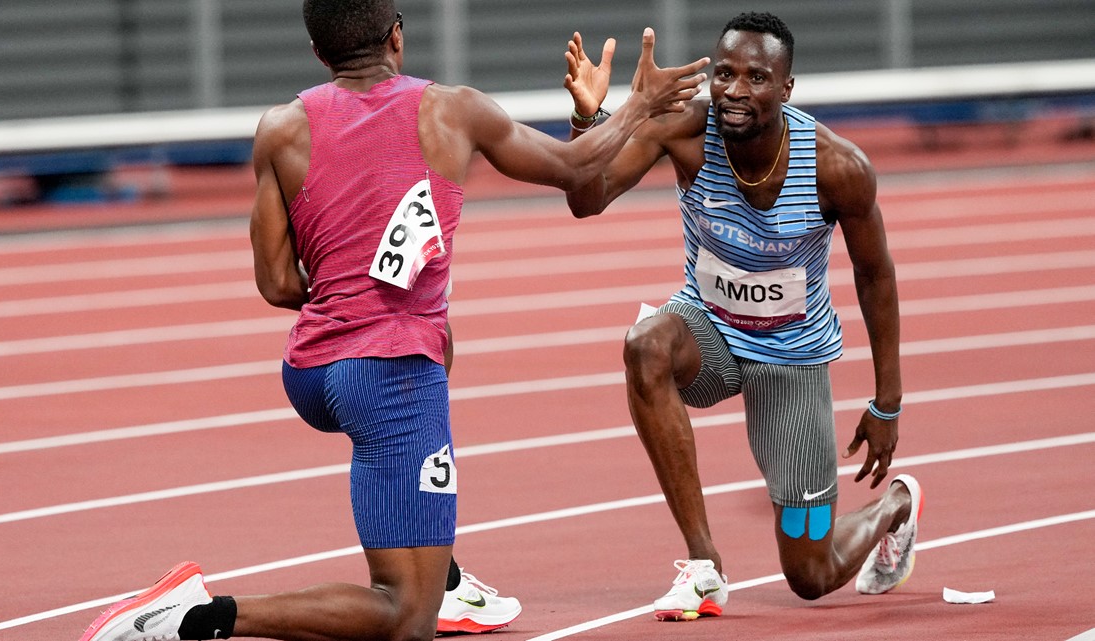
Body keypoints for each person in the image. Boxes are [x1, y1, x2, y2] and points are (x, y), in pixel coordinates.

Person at [75, 1, 709, 640]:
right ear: (397, 37)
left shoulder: (282, 128)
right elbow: (577, 169)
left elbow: (274, 283)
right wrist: (638, 107)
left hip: (312, 371)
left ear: (319, 53)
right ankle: (197, 615)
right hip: (390, 378)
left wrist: (349, 294)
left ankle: (446, 573)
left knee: (436, 336)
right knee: (407, 617)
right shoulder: (450, 110)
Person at [561, 12, 923, 620]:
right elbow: (585, 200)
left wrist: (887, 403)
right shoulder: (683, 132)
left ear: (786, 88)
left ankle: (896, 508)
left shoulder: (838, 167)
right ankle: (705, 568)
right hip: (709, 328)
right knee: (645, 344)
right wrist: (590, 119)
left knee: (811, 575)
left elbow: (875, 274)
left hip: (793, 356)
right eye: (724, 73)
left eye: (756, 77)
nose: (734, 89)